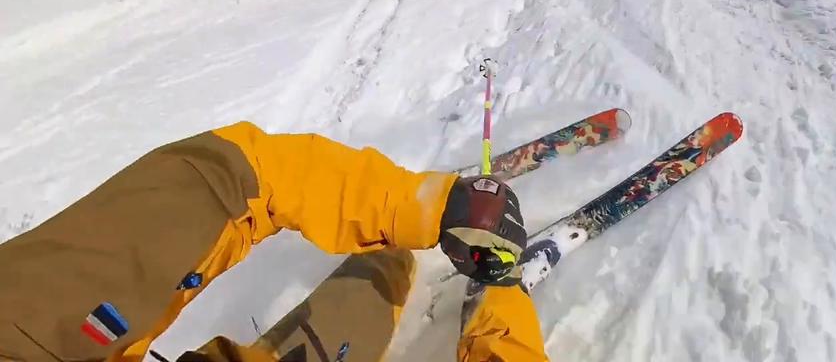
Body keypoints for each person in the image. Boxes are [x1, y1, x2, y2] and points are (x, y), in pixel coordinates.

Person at [0, 121, 548, 362]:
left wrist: (426, 208)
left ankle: (395, 255)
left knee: (376, 278)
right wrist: (503, 299)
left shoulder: (30, 309)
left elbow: (237, 177)